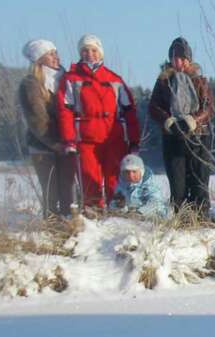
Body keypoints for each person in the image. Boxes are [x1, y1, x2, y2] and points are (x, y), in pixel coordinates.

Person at [57, 35, 140, 211]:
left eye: (94, 50)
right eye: (85, 51)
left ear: (100, 53)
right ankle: (92, 218)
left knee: (115, 180)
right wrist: (69, 140)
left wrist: (134, 141)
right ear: (80, 53)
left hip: (114, 139)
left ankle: (117, 214)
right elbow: (65, 111)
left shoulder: (114, 79)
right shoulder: (71, 79)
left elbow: (130, 110)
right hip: (86, 140)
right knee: (90, 181)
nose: (90, 54)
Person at [148, 37, 214, 214]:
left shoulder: (200, 81)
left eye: (181, 58)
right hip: (173, 137)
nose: (178, 62)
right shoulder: (163, 82)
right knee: (178, 185)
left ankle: (201, 217)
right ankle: (182, 219)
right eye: (174, 58)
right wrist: (168, 121)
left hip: (198, 137)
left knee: (199, 182)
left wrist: (193, 120)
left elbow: (208, 107)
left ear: (188, 60)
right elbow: (153, 107)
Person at [17, 38, 74, 217]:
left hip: (68, 143)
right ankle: (52, 227)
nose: (55, 57)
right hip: (43, 145)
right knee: (52, 192)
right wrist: (54, 142)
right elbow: (37, 118)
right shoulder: (32, 83)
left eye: (55, 52)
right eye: (50, 54)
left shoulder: (67, 78)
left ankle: (70, 226)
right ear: (39, 59)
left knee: (68, 190)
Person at [110, 154, 167, 218]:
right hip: (129, 216)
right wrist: (120, 207)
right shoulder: (120, 184)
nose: (130, 175)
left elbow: (156, 203)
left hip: (151, 217)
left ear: (141, 171)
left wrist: (140, 212)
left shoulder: (149, 183)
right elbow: (113, 204)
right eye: (127, 172)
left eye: (134, 171)